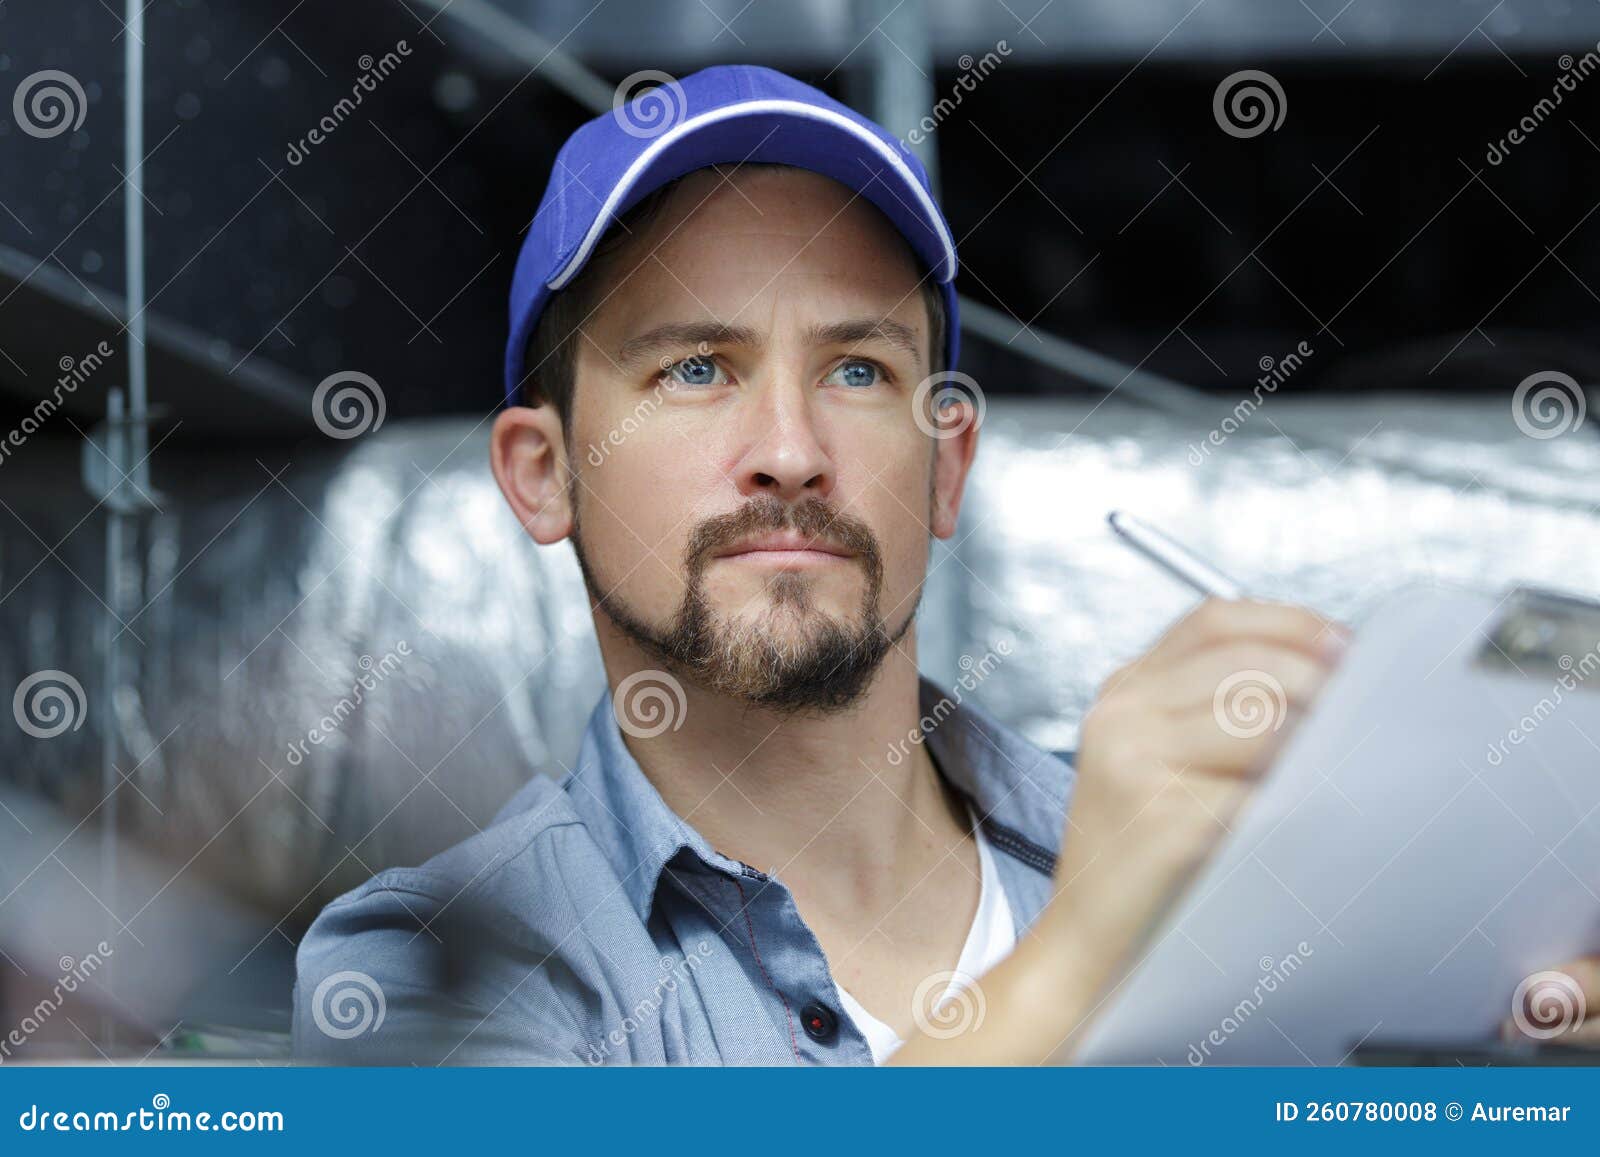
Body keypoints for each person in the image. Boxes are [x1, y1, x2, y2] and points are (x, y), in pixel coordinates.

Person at [291, 64, 1599, 1065]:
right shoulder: (425, 963)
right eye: (697, 367)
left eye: (859, 369)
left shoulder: (1211, 853)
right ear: (541, 471)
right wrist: (1083, 954)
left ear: (949, 463)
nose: (792, 450)